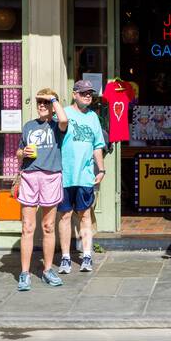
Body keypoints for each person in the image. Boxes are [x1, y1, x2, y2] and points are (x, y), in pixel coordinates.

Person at [14, 88, 68, 292]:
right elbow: (19, 151)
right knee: (27, 227)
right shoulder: (28, 126)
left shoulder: (57, 125)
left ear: (53, 106)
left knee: (48, 226)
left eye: (46, 103)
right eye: (39, 102)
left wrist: (53, 99)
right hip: (30, 176)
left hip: (51, 176)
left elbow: (63, 119)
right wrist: (22, 152)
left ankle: (47, 270)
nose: (42, 105)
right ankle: (25, 273)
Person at [58, 78, 107, 273]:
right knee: (65, 216)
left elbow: (97, 146)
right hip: (65, 174)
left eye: (90, 94)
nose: (88, 96)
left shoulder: (93, 117)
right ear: (74, 95)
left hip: (85, 174)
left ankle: (86, 255)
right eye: (83, 93)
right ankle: (65, 257)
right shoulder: (65, 114)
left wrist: (101, 169)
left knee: (85, 215)